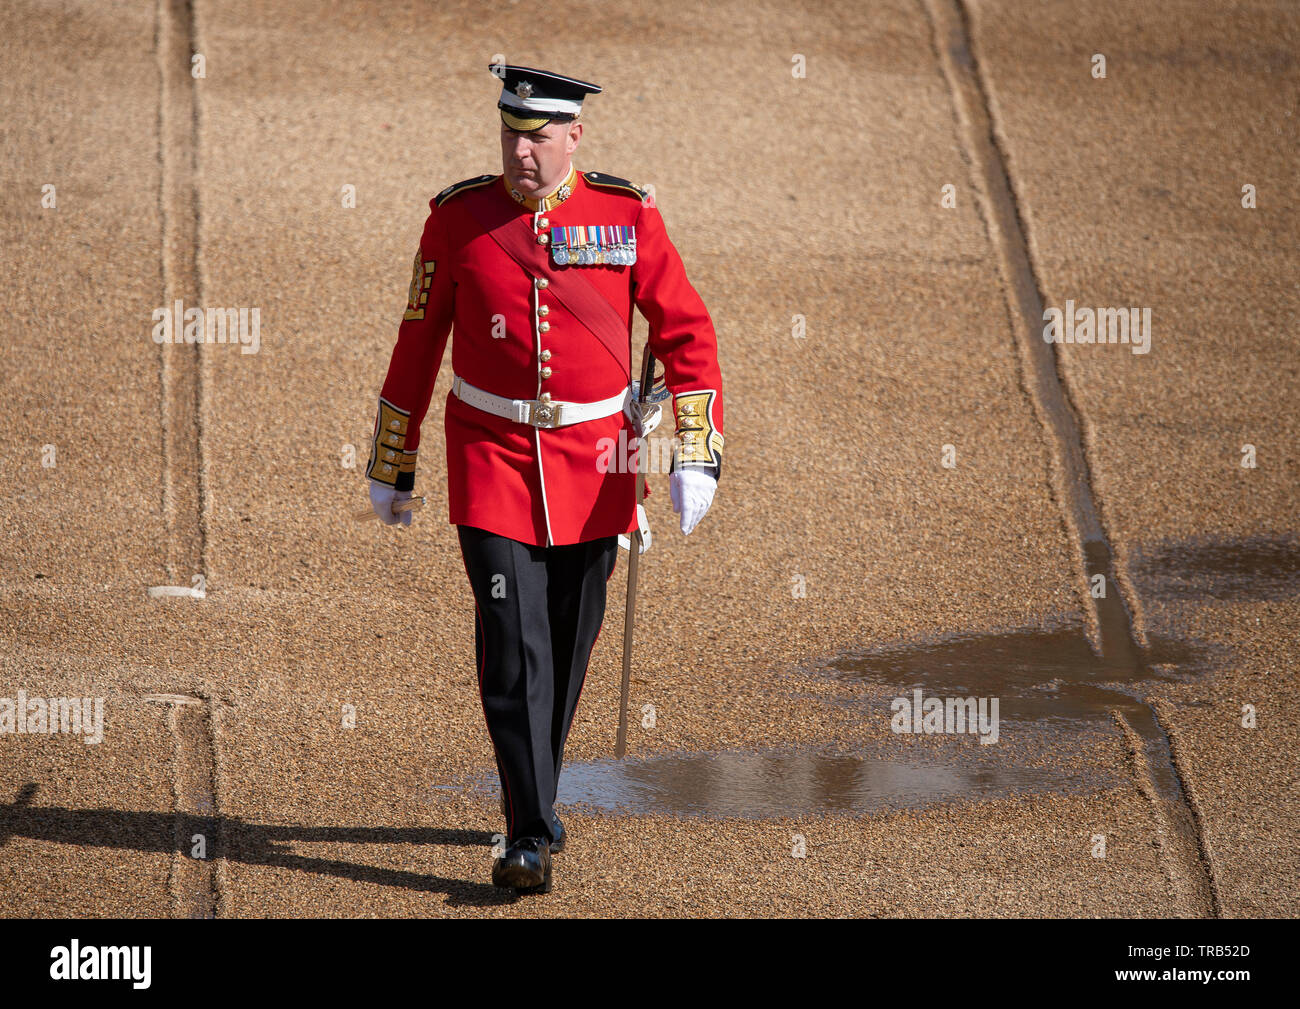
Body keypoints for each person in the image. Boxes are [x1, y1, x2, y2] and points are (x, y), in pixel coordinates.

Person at [365, 65, 724, 894]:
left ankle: (537, 793)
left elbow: (685, 331)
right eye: (510, 134)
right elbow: (418, 341)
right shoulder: (457, 219)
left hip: (598, 466)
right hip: (489, 455)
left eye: (538, 137)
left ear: (574, 137)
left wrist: (695, 448)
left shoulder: (626, 215)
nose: (520, 151)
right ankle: (526, 832)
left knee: (566, 644)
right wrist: (394, 455)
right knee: (512, 645)